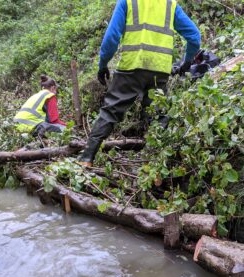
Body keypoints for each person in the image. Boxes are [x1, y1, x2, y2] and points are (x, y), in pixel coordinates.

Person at [78, 0, 201, 167]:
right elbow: (194, 36)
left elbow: (111, 38)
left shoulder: (127, 2)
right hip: (160, 71)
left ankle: (86, 159)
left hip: (132, 67)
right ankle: (156, 166)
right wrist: (186, 61)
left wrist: (103, 65)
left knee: (110, 111)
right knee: (157, 117)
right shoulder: (170, 5)